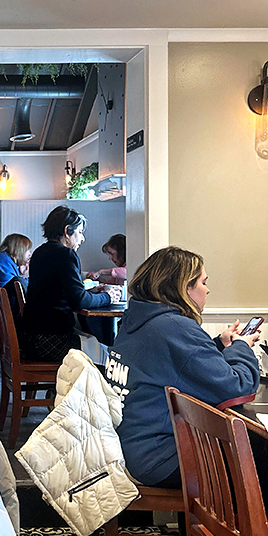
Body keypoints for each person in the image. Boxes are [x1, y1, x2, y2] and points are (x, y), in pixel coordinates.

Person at [107, 246, 260, 489]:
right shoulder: (174, 327)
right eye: (203, 282)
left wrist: (220, 345)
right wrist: (240, 346)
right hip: (160, 458)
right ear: (184, 287)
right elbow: (237, 387)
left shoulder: (138, 320)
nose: (207, 290)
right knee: (258, 451)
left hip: (131, 447)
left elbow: (177, 364)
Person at [22, 206, 122, 362]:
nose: (82, 238)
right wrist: (108, 297)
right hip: (52, 341)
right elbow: (79, 301)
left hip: (33, 339)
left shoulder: (39, 252)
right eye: (80, 232)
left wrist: (92, 292)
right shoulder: (66, 255)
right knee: (107, 354)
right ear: (67, 231)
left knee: (97, 343)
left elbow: (57, 291)